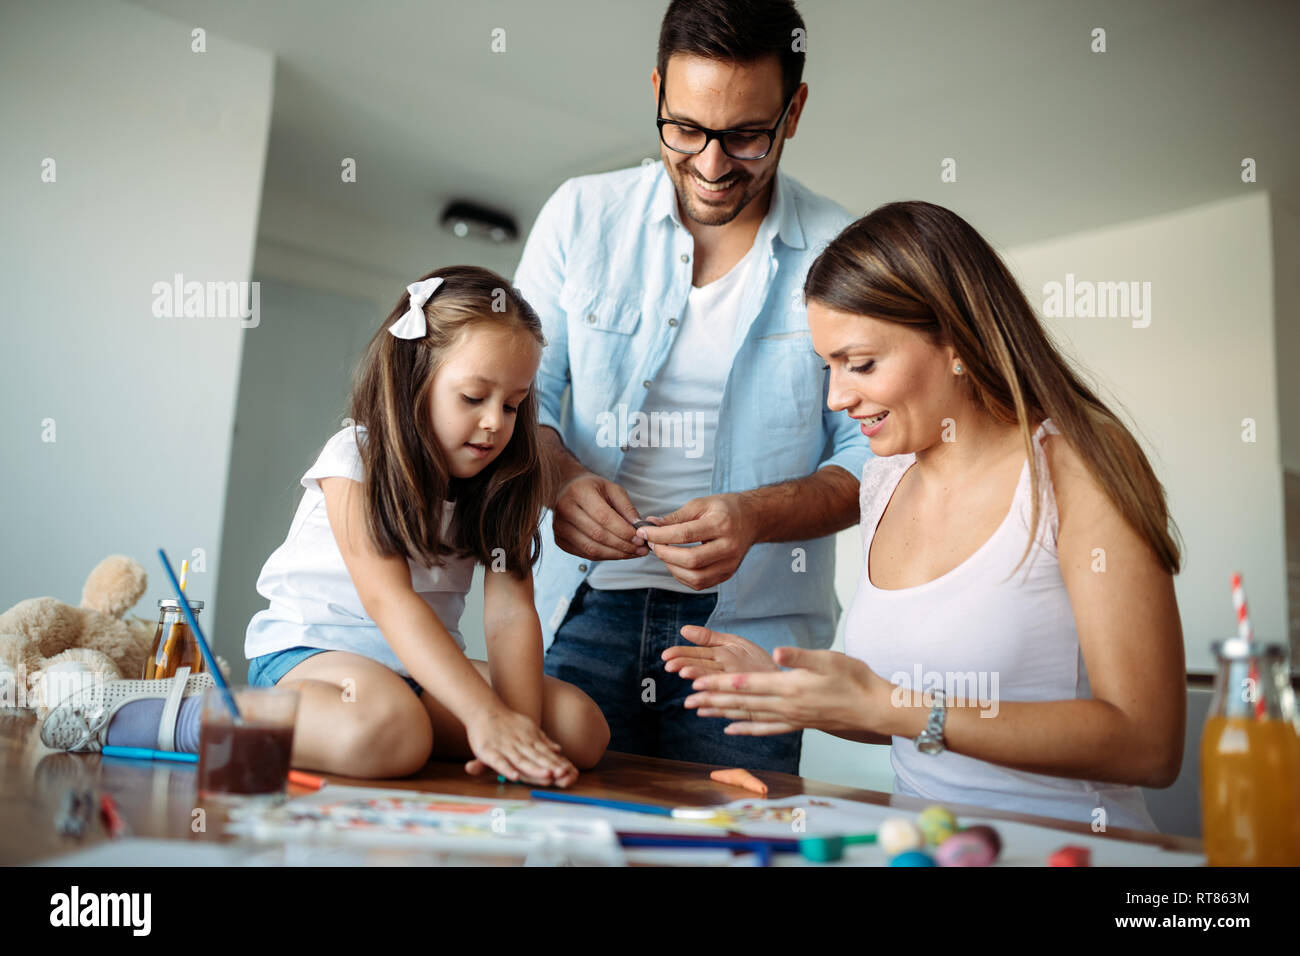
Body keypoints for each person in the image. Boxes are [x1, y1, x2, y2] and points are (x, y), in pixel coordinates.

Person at [674, 202, 1185, 830]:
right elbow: (900, 718)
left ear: (956, 342)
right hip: (923, 841)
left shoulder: (1075, 465)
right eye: (827, 366)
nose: (838, 397)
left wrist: (890, 704)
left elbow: (1148, 744)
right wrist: (807, 697)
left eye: (860, 364)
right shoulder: (884, 481)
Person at [513, 0, 869, 774]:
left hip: (752, 637)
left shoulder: (846, 252)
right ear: (656, 95)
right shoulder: (579, 216)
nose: (712, 166)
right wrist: (561, 477)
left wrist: (755, 516)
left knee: (737, 847)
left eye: (746, 135)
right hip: (579, 608)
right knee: (560, 835)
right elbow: (520, 401)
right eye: (686, 130)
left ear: (794, 111)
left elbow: (873, 462)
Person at [238, 266, 609, 783]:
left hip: (419, 672)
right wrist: (483, 715)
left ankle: (429, 732)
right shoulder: (355, 460)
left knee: (579, 727)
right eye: (473, 398)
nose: (495, 423)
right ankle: (214, 716)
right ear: (417, 378)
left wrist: (516, 730)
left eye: (512, 405)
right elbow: (389, 601)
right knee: (391, 729)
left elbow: (509, 615)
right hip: (315, 657)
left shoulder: (505, 480)